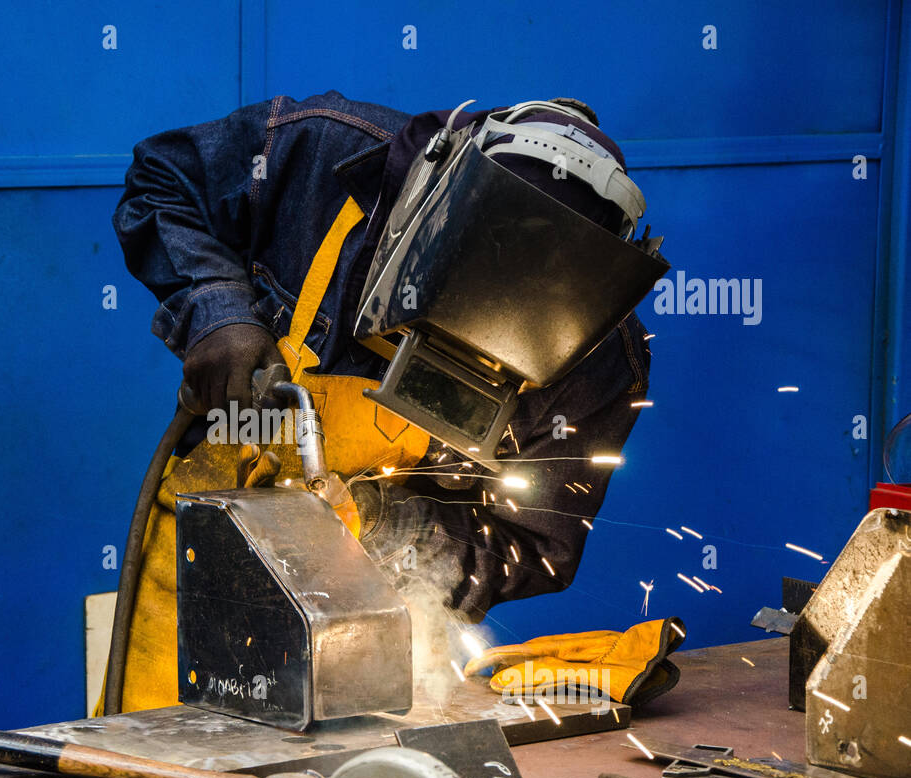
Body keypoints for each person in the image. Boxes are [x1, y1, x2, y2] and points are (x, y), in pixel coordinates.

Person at [106, 91, 659, 713]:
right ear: (427, 205)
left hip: (386, 621)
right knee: (159, 770)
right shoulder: (316, 151)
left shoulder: (599, 354)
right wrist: (217, 308)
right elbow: (161, 177)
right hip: (201, 564)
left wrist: (382, 523)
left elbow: (530, 545)